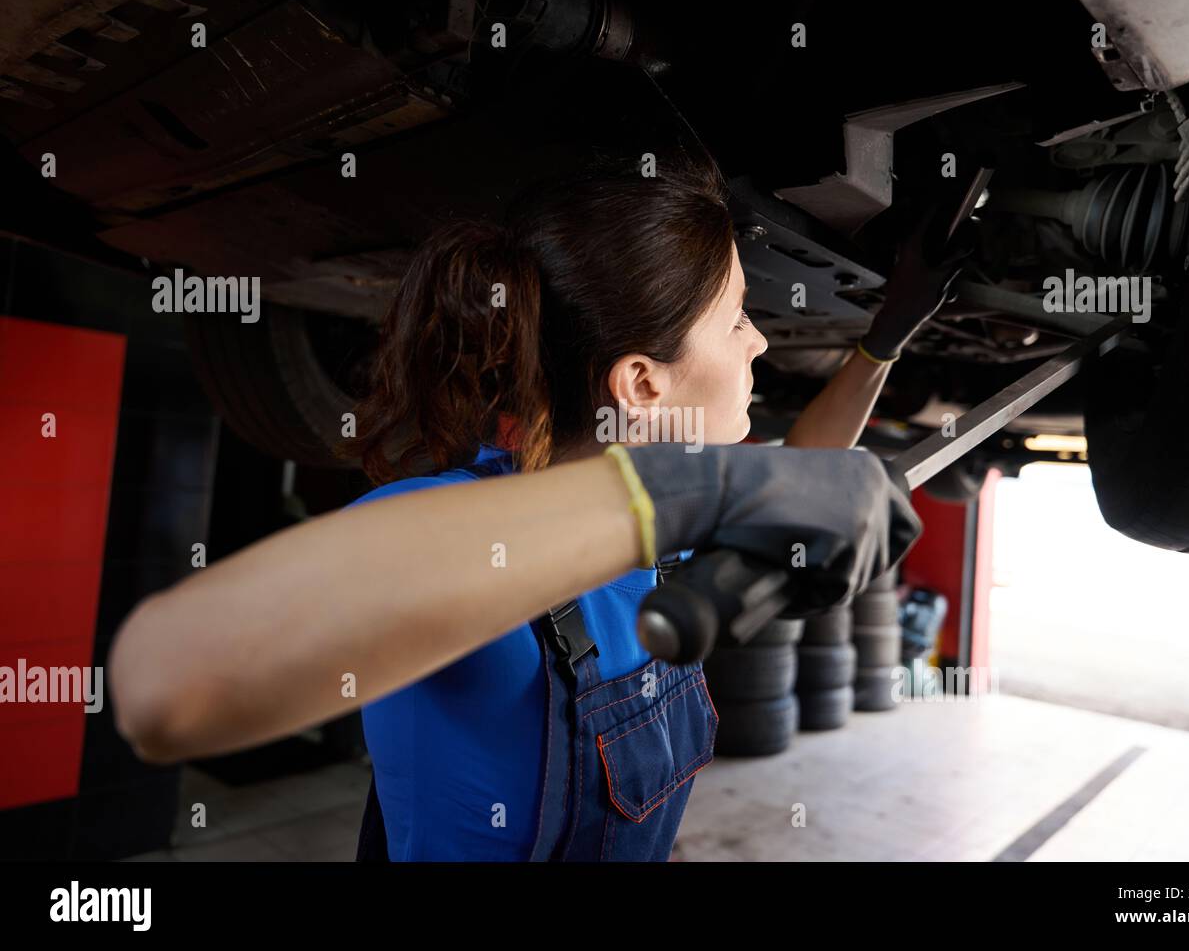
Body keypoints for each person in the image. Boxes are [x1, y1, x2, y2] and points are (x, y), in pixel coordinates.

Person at [107, 144, 964, 861]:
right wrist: (702, 486)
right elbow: (165, 683)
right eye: (738, 317)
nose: (762, 340)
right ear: (640, 383)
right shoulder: (460, 528)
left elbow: (804, 470)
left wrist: (884, 338)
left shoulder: (655, 538)